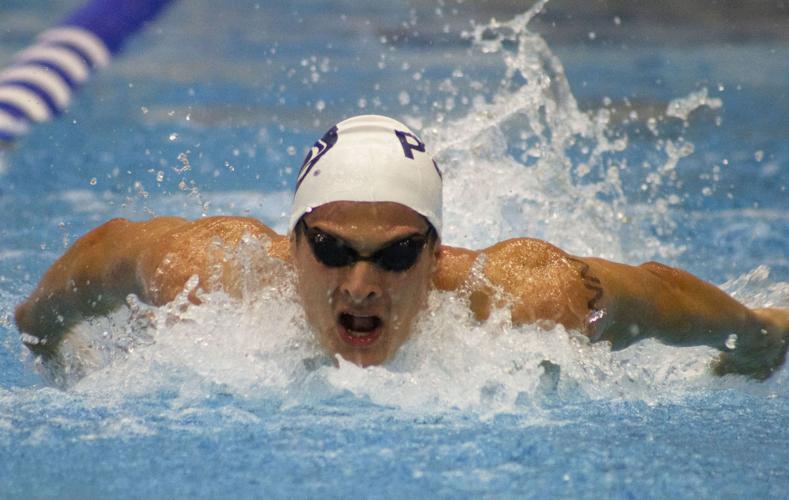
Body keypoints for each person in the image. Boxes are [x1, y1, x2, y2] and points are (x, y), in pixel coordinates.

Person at [14, 115, 789, 379]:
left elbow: (651, 293)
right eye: (330, 248)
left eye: (393, 256)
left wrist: (756, 335)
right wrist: (44, 333)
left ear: (436, 253)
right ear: (291, 245)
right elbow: (104, 256)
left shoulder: (522, 299)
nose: (359, 285)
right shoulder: (205, 272)